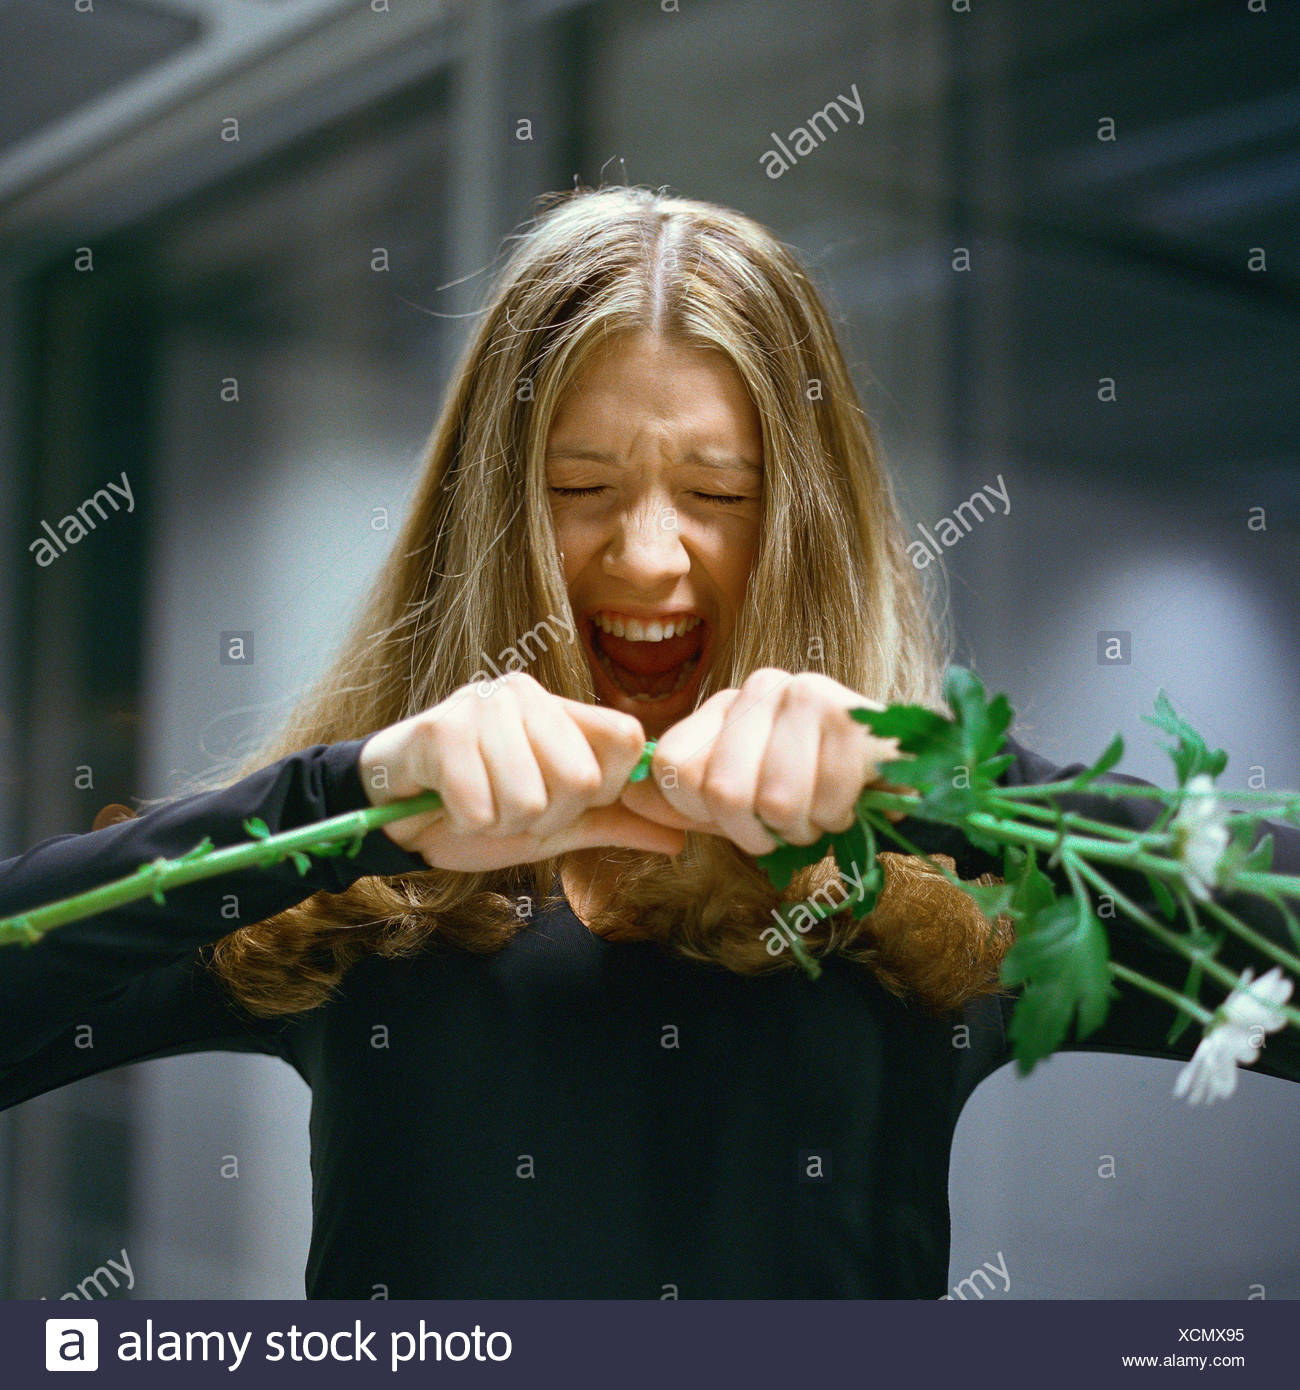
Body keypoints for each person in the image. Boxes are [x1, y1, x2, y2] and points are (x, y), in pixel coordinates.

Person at [1, 186, 1296, 1300]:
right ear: (494, 513)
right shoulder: (359, 874)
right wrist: (341, 793)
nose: (650, 554)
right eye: (581, 490)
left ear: (801, 520)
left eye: (719, 495)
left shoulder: (937, 885)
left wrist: (940, 781)